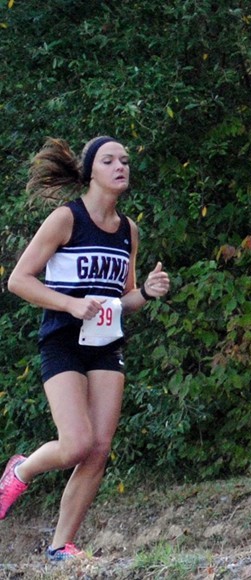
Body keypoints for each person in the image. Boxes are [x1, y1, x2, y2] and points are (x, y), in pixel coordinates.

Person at [2, 136, 171, 562]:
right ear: (91, 170)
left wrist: (146, 293)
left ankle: (61, 547)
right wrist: (71, 304)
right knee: (75, 444)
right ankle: (20, 470)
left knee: (98, 448)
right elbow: (19, 280)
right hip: (62, 339)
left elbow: (124, 298)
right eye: (110, 160)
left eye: (126, 161)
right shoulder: (66, 219)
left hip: (105, 344)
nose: (121, 167)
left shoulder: (128, 230)